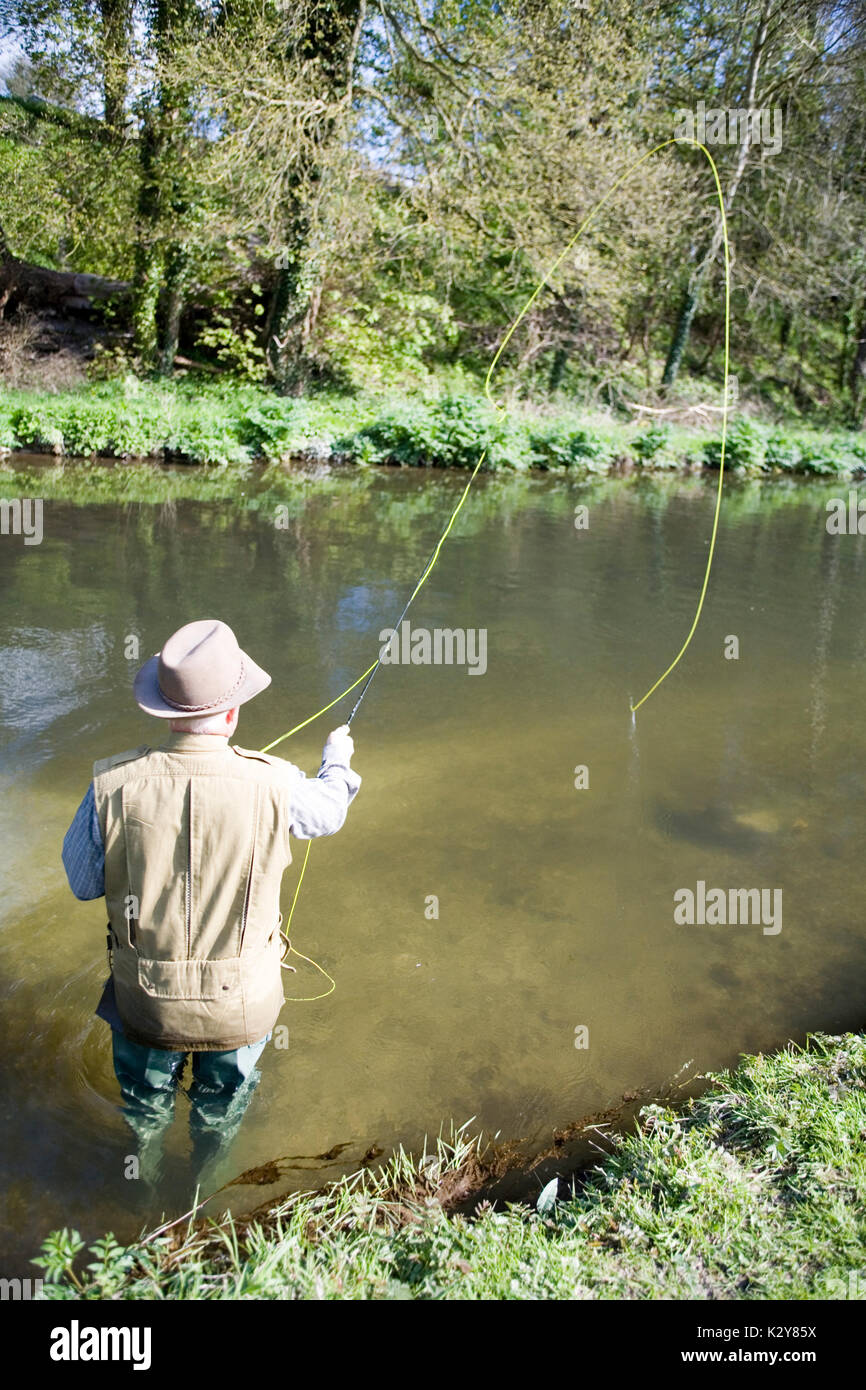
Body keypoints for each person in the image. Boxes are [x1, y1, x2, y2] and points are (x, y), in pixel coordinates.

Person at [62, 618, 360, 1184]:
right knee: (220, 1113)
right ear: (232, 712)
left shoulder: (111, 783)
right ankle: (202, 1199)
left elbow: (82, 882)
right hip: (240, 1006)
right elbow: (328, 814)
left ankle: (140, 1197)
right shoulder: (274, 782)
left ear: (164, 710)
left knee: (144, 1113)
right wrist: (337, 758)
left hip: (143, 1004)